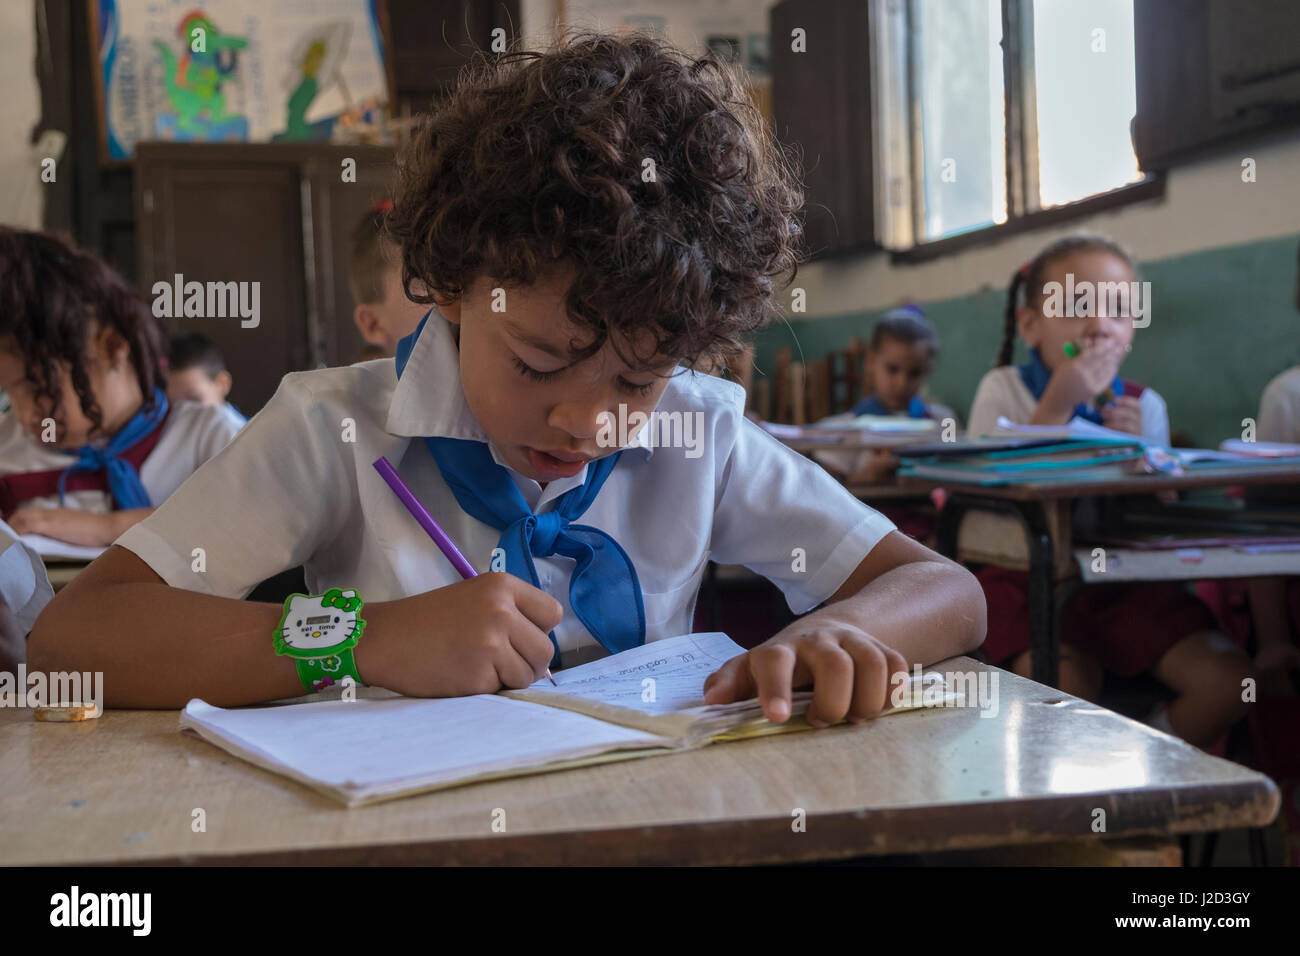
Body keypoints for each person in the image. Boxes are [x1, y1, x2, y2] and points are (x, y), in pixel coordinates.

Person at [31, 33, 986, 722]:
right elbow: (78, 637)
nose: (587, 422)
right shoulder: (335, 427)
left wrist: (841, 635)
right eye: (537, 362)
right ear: (448, 288)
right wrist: (362, 638)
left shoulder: (701, 429)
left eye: (637, 381)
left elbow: (947, 590)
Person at [968, 232, 1253, 749]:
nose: (1099, 327)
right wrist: (1057, 407)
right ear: (1030, 325)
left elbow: (1165, 517)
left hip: (1125, 590)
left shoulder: (1146, 408)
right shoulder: (1003, 390)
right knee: (1066, 689)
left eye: (1118, 310)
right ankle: (1086, 799)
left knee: (1232, 683)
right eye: (1077, 306)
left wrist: (1140, 453)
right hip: (1026, 586)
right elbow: (990, 494)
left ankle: (1137, 768)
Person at [0, 228, 244, 547]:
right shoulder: (7, 450)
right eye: (9, 393)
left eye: (38, 389)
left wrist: (107, 528)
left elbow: (253, 521)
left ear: (113, 345)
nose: (26, 415)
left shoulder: (209, 437)